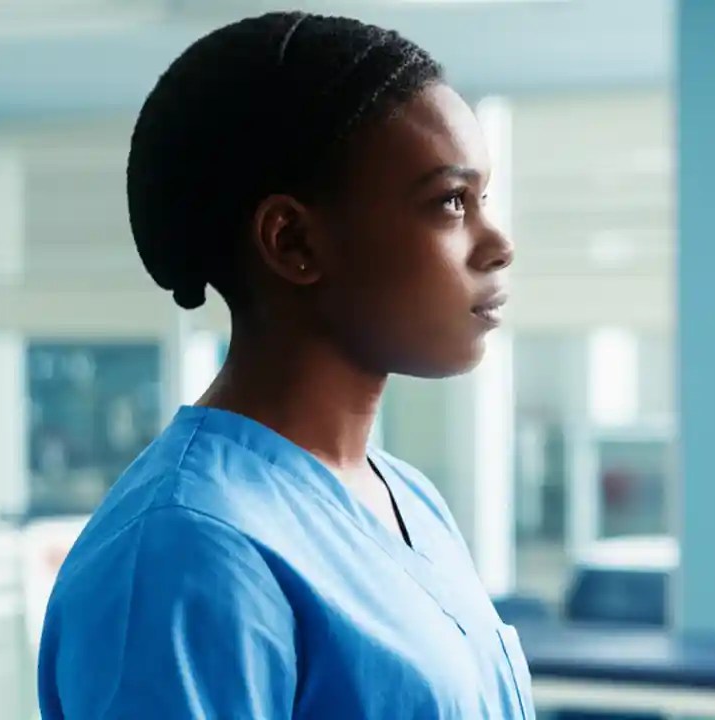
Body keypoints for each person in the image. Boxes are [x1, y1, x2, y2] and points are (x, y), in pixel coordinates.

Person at [36, 13, 532, 719]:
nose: (498, 243)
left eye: (483, 199)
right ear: (293, 240)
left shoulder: (410, 500)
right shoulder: (184, 551)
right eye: (450, 203)